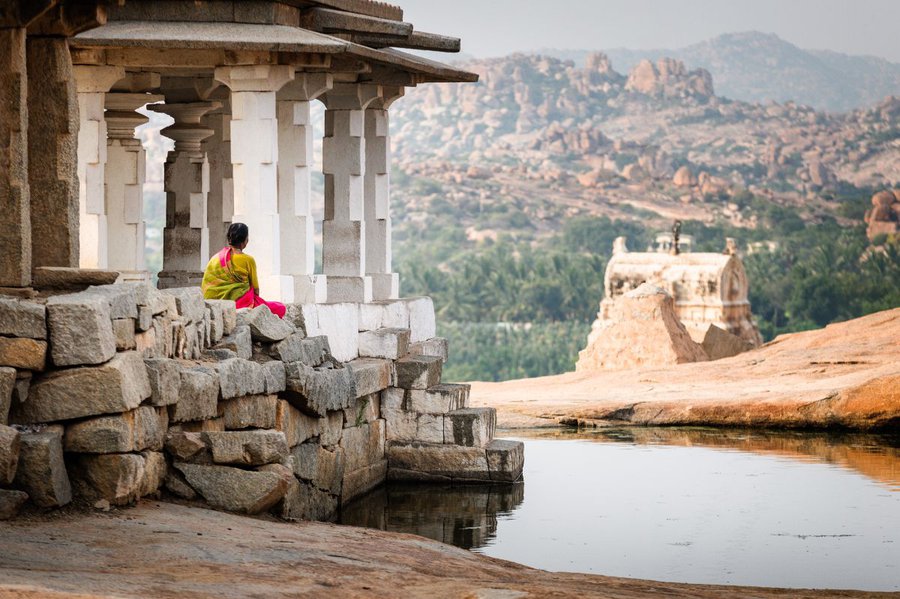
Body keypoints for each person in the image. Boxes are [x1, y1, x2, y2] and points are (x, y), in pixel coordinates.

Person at [201, 223, 286, 318]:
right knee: (280, 307)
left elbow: (207, 283)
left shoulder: (215, 258)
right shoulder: (248, 260)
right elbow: (256, 289)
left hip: (215, 304)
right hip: (241, 303)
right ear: (245, 241)